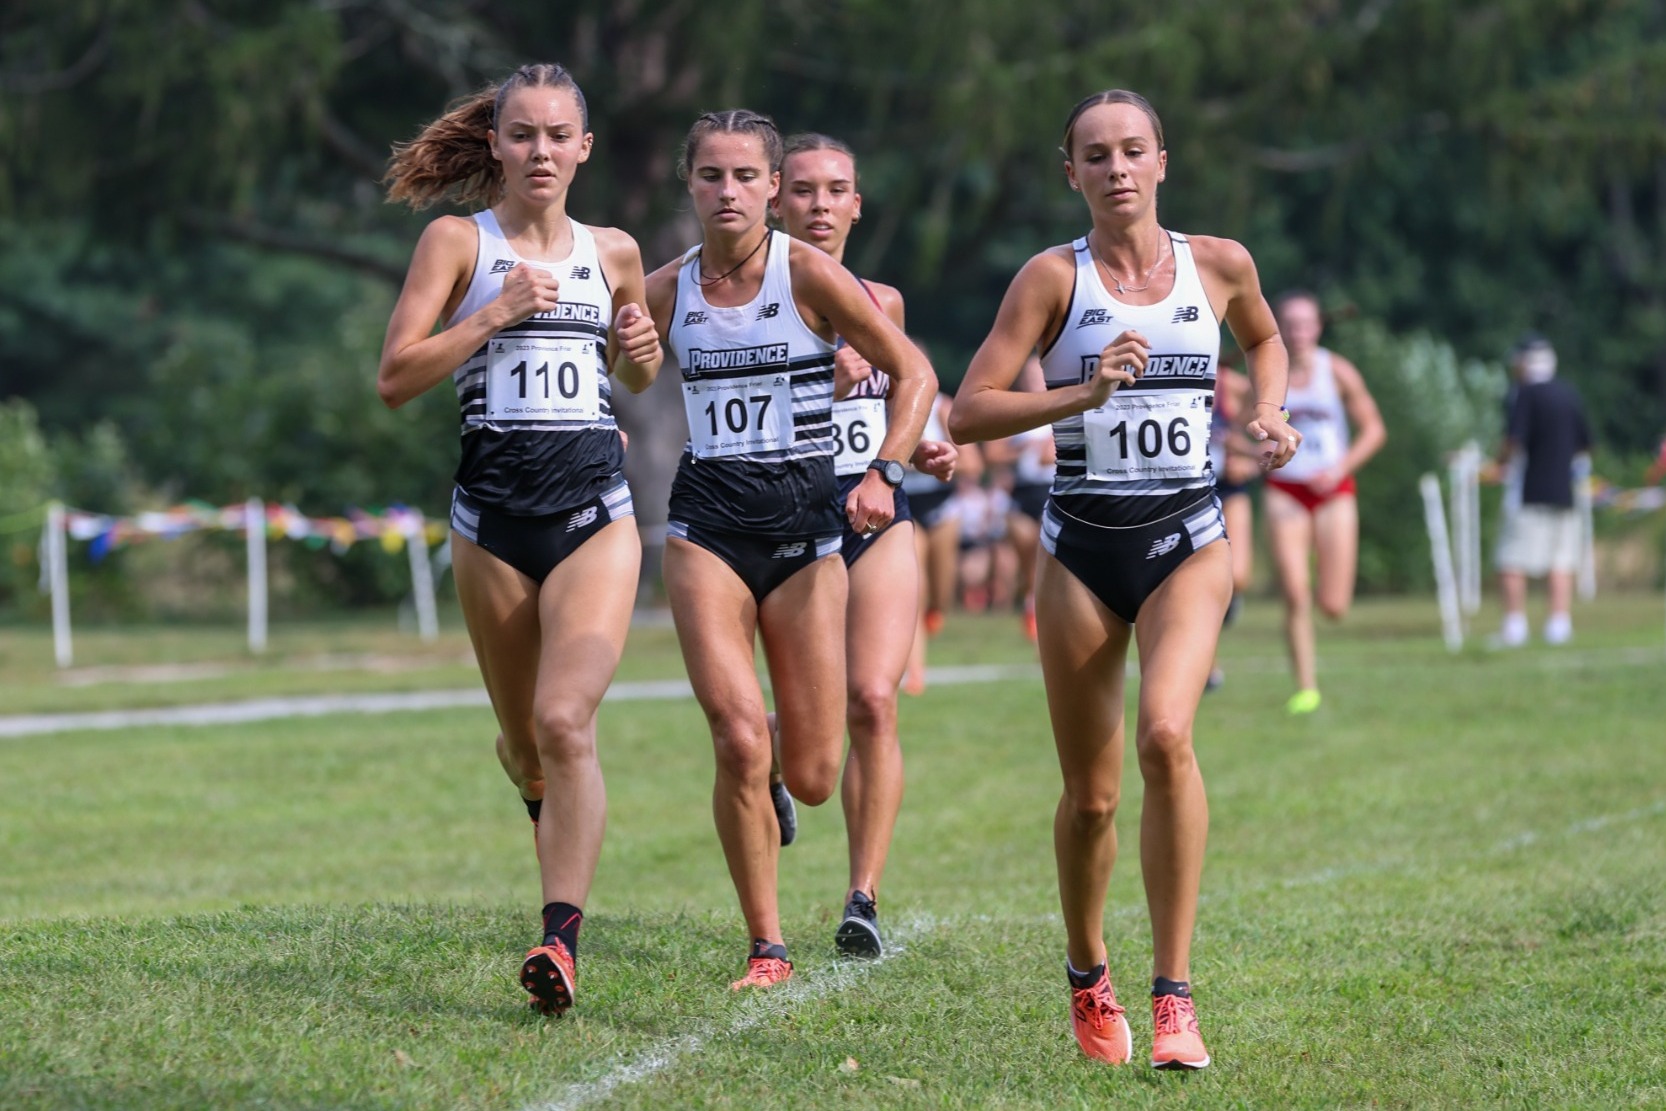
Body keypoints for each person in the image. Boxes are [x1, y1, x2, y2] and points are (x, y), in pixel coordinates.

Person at [950, 89, 1299, 1070]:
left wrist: (1269, 410)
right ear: (1072, 173)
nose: (1116, 168)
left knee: (1166, 736)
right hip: (1081, 549)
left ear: (1162, 162)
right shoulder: (1049, 279)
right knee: (1091, 798)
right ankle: (1086, 968)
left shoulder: (1218, 264)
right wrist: (1084, 391)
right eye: (1095, 155)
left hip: (1188, 537)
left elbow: (1265, 338)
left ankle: (1174, 994)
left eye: (1133, 150)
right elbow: (970, 412)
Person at [377, 63, 662, 1016]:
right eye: (524, 134)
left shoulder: (614, 251)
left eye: (558, 135)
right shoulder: (458, 242)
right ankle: (541, 795)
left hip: (594, 515)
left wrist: (643, 358)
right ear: (496, 145)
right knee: (526, 744)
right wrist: (496, 312)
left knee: (566, 720)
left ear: (585, 148)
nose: (542, 151)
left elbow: (630, 370)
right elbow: (395, 377)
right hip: (490, 525)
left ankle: (559, 940)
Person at [642, 110, 935, 989]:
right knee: (736, 738)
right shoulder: (666, 286)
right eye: (710, 176)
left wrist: (887, 468)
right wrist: (603, 405)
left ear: (769, 187)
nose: (727, 191)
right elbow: (619, 367)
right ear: (690, 185)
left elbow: (915, 373)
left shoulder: (807, 273)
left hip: (809, 534)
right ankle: (766, 946)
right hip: (706, 527)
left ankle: (794, 786)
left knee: (811, 774)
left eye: (745, 176)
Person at [770, 132, 957, 957]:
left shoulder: (885, 301)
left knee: (875, 700)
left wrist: (920, 447)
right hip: (790, 519)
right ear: (777, 200)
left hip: (876, 513)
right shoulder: (751, 300)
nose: (820, 205)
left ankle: (863, 897)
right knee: (808, 732)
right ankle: (767, 748)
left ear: (856, 204)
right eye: (803, 189)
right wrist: (821, 382)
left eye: (835, 190)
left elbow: (902, 396)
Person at [1262, 291, 1386, 714]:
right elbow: (1246, 424)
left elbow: (1374, 429)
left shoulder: (1337, 371)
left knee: (1333, 606)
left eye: (1305, 324)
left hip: (1334, 491)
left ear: (1317, 327)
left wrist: (1339, 469)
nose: (1298, 332)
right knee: (1296, 593)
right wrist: (1255, 450)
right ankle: (1306, 688)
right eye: (1290, 324)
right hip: (1285, 490)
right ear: (1279, 327)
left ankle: (1325, 586)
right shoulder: (1270, 374)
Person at [1493, 334, 1591, 646]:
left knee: (1512, 560)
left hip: (1528, 491)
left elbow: (1514, 440)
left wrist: (1498, 463)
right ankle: (1558, 626)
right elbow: (1586, 443)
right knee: (1560, 561)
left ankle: (1514, 627)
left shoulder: (1525, 394)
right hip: (1565, 491)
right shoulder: (1569, 394)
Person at [1205, 361, 1262, 689]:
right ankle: (1207, 666)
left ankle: (1231, 598)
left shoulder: (1234, 385)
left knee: (1237, 575)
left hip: (1229, 487)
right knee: (1199, 582)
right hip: (1187, 490)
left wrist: (1250, 460)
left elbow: (1280, 415)